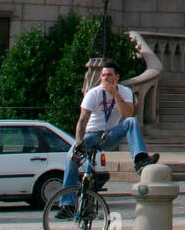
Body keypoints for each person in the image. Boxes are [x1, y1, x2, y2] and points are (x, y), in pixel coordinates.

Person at [56, 59, 159, 216]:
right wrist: (79, 143)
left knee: (131, 122)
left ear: (116, 77)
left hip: (110, 135)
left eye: (109, 75)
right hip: (92, 135)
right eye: (103, 75)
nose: (105, 78)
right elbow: (83, 120)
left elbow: (127, 114)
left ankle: (140, 159)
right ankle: (67, 205)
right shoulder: (94, 93)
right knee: (70, 159)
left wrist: (115, 94)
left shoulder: (124, 92)